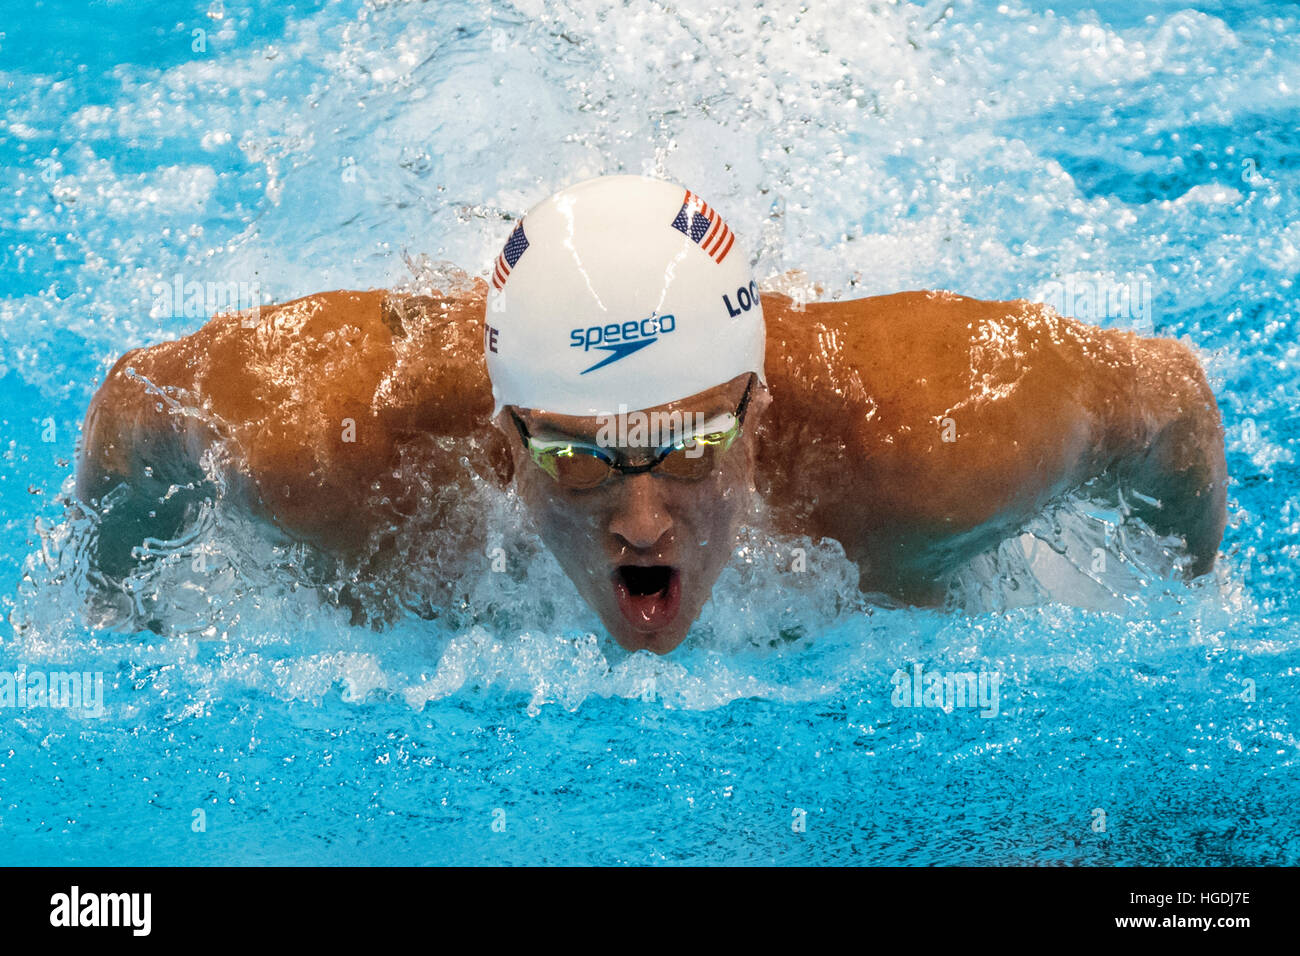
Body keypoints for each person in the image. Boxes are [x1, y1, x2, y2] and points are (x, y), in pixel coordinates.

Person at [77, 175, 1227, 653]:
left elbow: (1174, 398)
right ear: (501, 437)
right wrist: (111, 614)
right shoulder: (316, 441)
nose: (640, 518)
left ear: (759, 416)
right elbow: (133, 411)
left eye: (690, 451)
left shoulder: (939, 437)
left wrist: (1180, 603)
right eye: (577, 459)